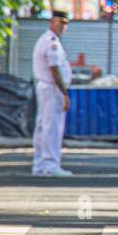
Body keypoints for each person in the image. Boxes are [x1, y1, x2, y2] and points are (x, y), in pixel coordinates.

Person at [31, 10, 73, 177]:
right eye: (60, 22)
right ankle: (50, 165)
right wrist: (65, 94)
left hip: (46, 87)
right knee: (52, 127)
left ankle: (40, 165)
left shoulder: (46, 40)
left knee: (43, 126)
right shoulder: (52, 42)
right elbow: (54, 70)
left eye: (65, 23)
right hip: (51, 88)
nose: (63, 26)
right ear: (52, 22)